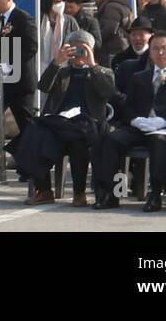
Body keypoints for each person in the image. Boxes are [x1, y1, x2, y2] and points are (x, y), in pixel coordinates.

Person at [93, 31, 166, 211]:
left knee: (158, 142)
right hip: (140, 127)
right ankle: (110, 193)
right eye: (155, 49)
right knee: (111, 140)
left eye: (164, 48)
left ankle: (155, 194)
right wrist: (135, 120)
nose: (160, 53)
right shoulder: (140, 76)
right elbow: (128, 106)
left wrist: (164, 121)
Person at [17, 31, 113, 206]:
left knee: (77, 139)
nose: (77, 54)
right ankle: (44, 190)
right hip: (59, 123)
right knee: (36, 131)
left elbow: (107, 92)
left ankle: (79, 192)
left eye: (82, 49)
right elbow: (43, 86)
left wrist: (92, 65)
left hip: (87, 124)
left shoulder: (103, 72)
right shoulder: (62, 72)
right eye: (73, 49)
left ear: (91, 50)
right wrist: (57, 62)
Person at [0, 0, 37, 140]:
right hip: (1, 81)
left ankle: (31, 160)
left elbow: (31, 47)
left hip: (21, 82)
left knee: (25, 123)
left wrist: (11, 65)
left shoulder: (23, 18)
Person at [39, 0, 80, 75]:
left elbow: (78, 44)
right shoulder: (38, 21)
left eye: (63, 0)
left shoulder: (70, 21)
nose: (61, 4)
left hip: (65, 67)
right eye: (57, 1)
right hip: (41, 66)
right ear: (48, 3)